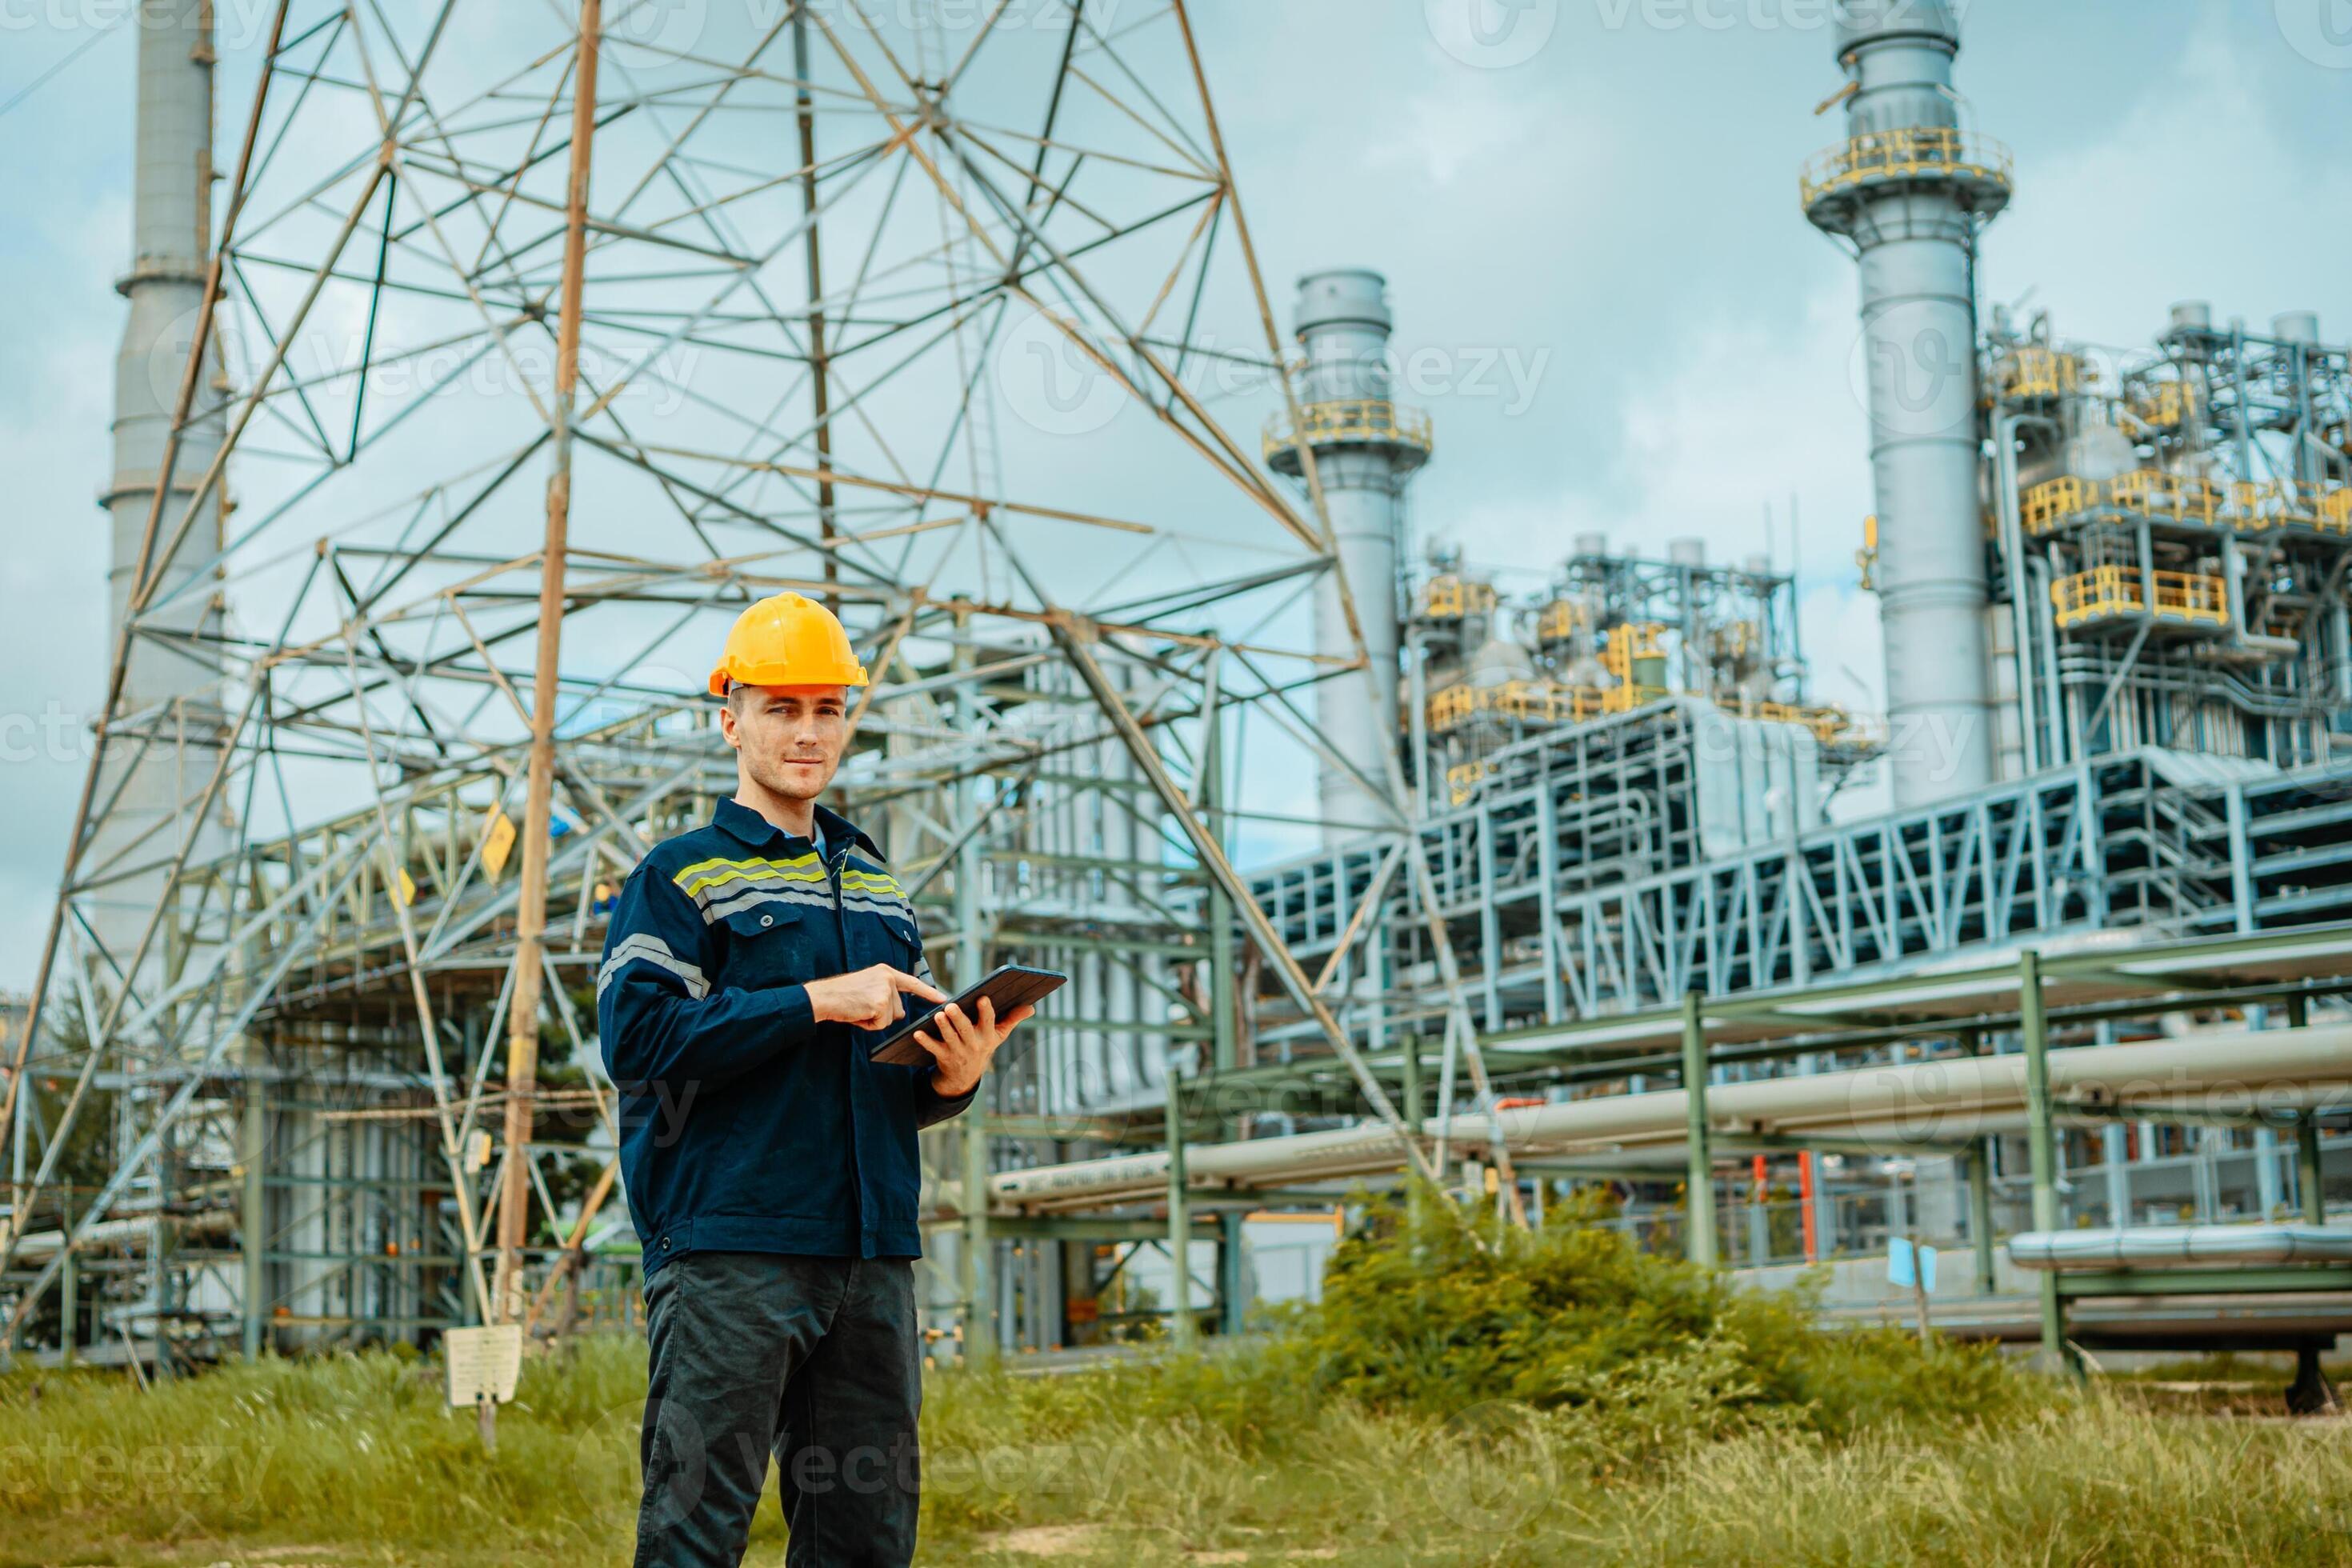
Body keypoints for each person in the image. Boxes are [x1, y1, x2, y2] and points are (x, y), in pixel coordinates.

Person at [597, 590, 1033, 1566]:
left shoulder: (877, 884)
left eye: (827, 709)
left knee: (867, 1538)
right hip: (730, 1251)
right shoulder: (681, 875)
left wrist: (953, 1079)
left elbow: (877, 1089)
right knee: (696, 1531)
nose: (807, 731)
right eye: (781, 708)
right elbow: (637, 1041)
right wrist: (819, 999)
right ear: (731, 719)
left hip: (870, 1256)